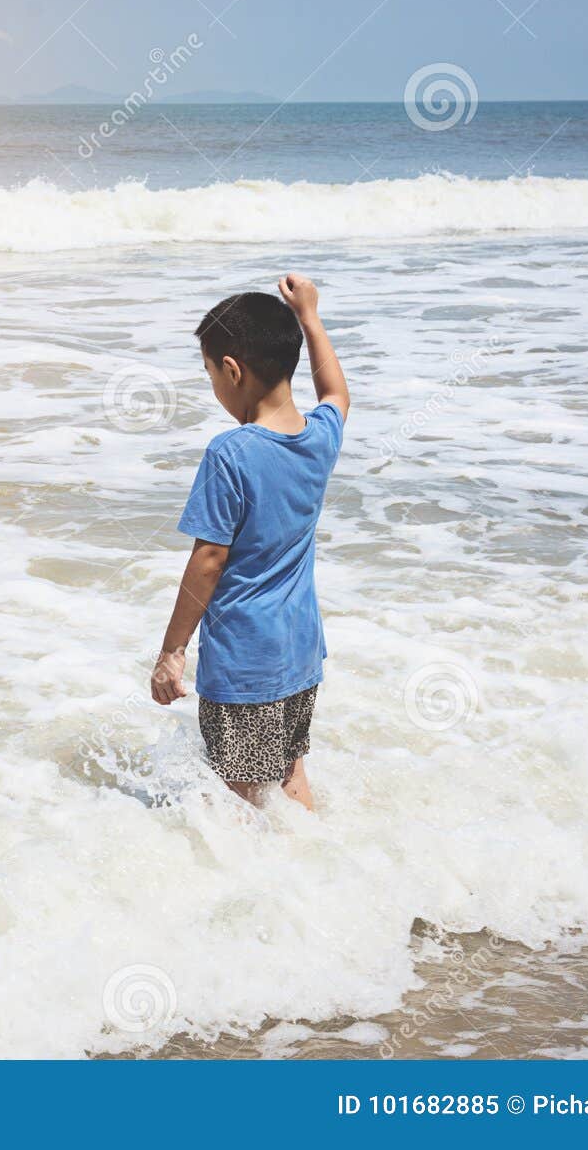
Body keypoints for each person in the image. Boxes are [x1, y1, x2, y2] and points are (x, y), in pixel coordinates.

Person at [149, 274, 349, 811]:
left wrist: (172, 652)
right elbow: (336, 392)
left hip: (245, 663)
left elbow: (209, 559)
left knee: (237, 802)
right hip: (300, 653)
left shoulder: (230, 453)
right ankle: (322, 869)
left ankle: (255, 889)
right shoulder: (320, 436)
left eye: (211, 373)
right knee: (288, 778)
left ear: (232, 371)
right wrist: (310, 315)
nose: (214, 385)